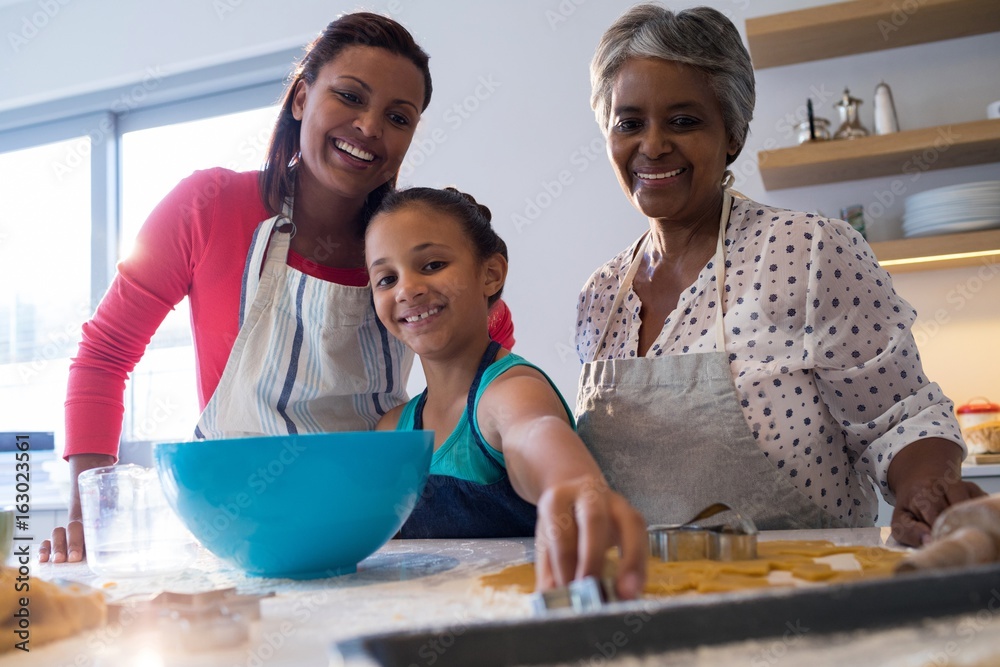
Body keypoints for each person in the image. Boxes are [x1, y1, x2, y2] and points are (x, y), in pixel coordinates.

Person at [41, 13, 515, 563]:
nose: (369, 127)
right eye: (349, 96)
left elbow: (486, 361)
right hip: (235, 538)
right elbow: (104, 355)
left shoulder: (409, 246)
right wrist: (84, 515)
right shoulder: (208, 208)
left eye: (398, 117)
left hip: (381, 538)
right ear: (300, 98)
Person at [575, 4, 984, 547]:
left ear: (733, 137)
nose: (652, 146)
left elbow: (899, 419)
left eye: (684, 121)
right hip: (644, 605)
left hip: (807, 599)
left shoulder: (808, 252)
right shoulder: (601, 297)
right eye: (629, 123)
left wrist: (929, 493)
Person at [365, 187, 647, 597]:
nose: (407, 289)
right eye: (386, 278)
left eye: (432, 264)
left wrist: (571, 480)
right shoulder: (392, 430)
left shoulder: (508, 390)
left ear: (491, 274)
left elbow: (532, 430)